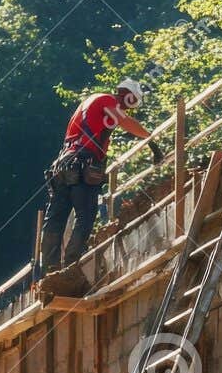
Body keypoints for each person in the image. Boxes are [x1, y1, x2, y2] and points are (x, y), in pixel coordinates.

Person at [39, 78, 163, 272]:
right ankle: (69, 267)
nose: (127, 109)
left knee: (56, 218)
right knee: (86, 215)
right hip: (82, 165)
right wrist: (150, 140)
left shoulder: (88, 106)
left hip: (63, 166)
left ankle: (49, 269)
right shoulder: (106, 100)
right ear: (125, 95)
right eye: (129, 103)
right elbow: (124, 120)